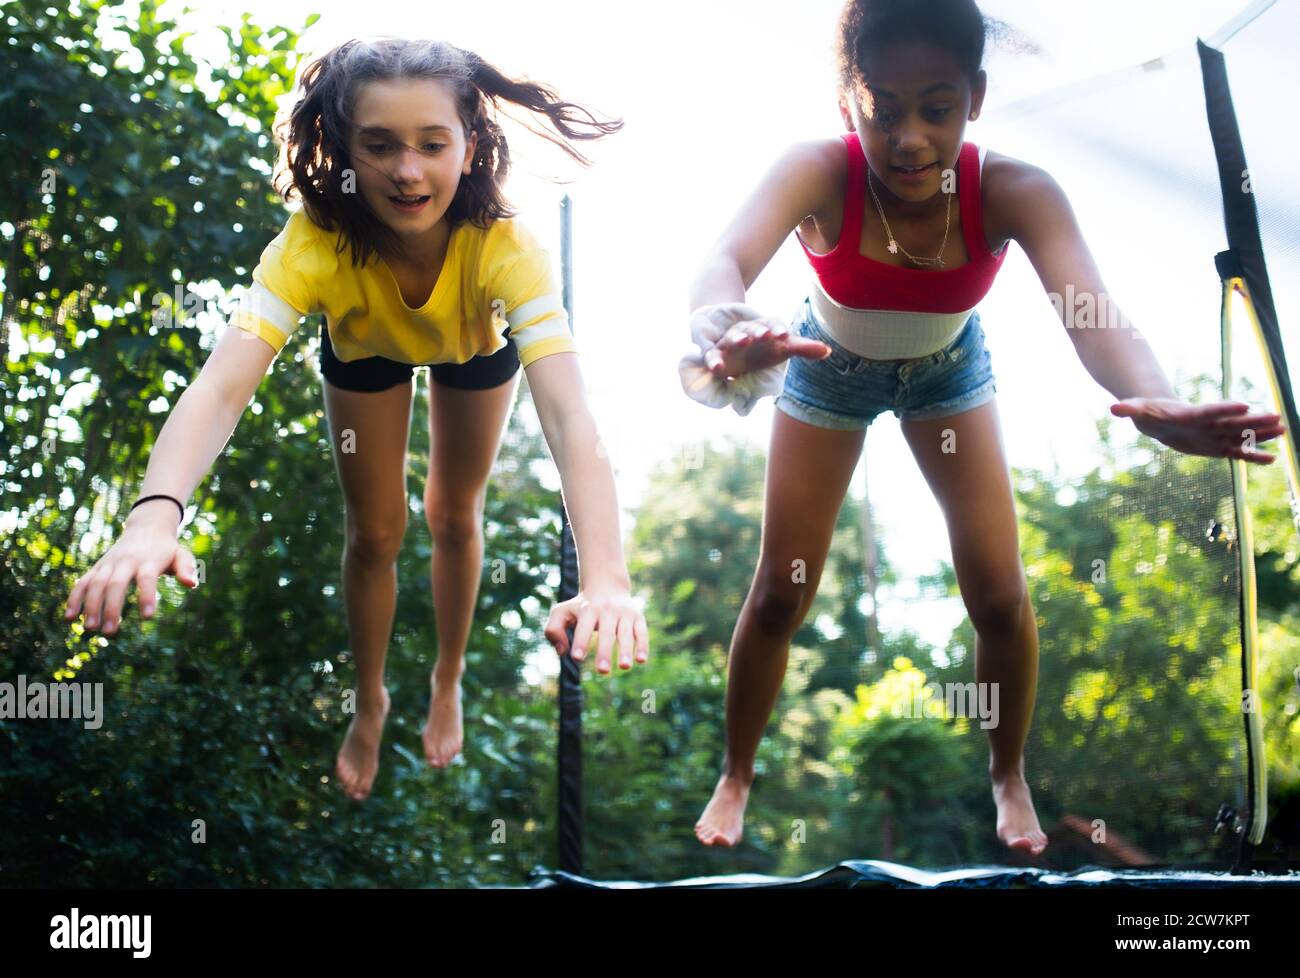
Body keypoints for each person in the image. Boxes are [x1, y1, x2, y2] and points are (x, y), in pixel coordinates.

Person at [680, 0, 1285, 853]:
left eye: (937, 107)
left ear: (977, 96)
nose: (911, 139)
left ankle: (1007, 774)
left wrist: (1159, 402)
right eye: (882, 109)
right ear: (847, 101)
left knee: (999, 595)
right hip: (826, 369)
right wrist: (721, 321)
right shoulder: (819, 169)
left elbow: (1094, 312)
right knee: (781, 590)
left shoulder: (1016, 189)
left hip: (949, 375)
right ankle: (737, 773)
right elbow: (722, 260)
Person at [64, 37, 649, 802]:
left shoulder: (508, 251)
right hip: (365, 349)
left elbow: (571, 417)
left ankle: (448, 677)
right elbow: (220, 387)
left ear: (470, 147)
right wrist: (152, 517)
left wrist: (606, 574)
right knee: (375, 531)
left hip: (474, 345)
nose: (408, 171)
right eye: (379, 146)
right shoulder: (314, 244)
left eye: (432, 144)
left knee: (453, 515)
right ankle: (369, 698)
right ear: (342, 148)